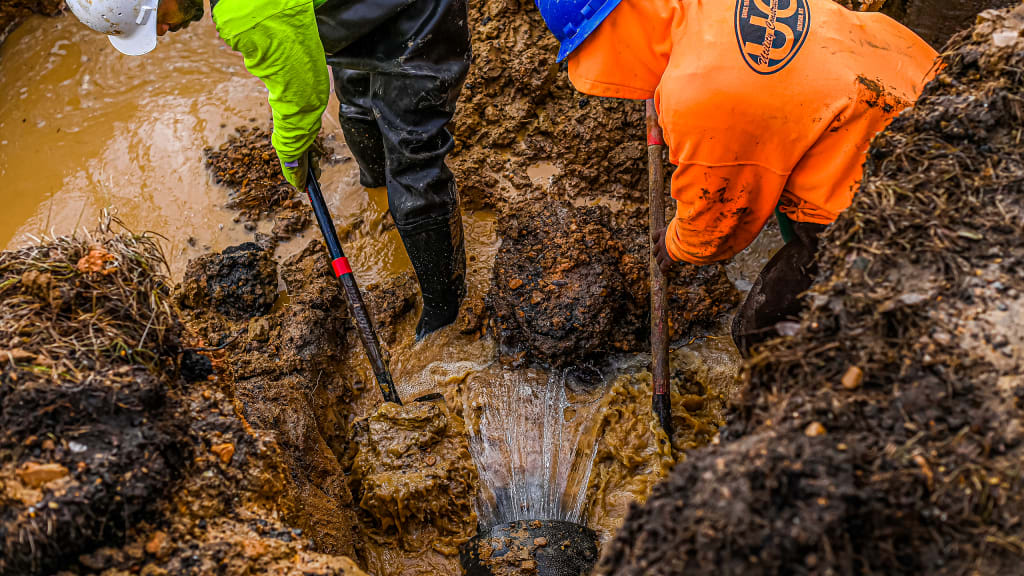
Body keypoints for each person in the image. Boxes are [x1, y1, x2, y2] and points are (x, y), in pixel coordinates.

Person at [535, 0, 938, 355]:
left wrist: (676, 243)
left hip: (891, 199)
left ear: (613, 34)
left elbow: (719, 218)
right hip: (925, 88)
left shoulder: (698, 93)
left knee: (760, 334)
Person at [66, 0, 470, 340]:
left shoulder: (246, 14)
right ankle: (378, 192)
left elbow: (303, 97)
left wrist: (291, 153)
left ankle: (444, 311)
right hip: (356, 15)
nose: (167, 29)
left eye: (158, 20)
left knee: (414, 166)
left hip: (420, 16)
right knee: (359, 108)